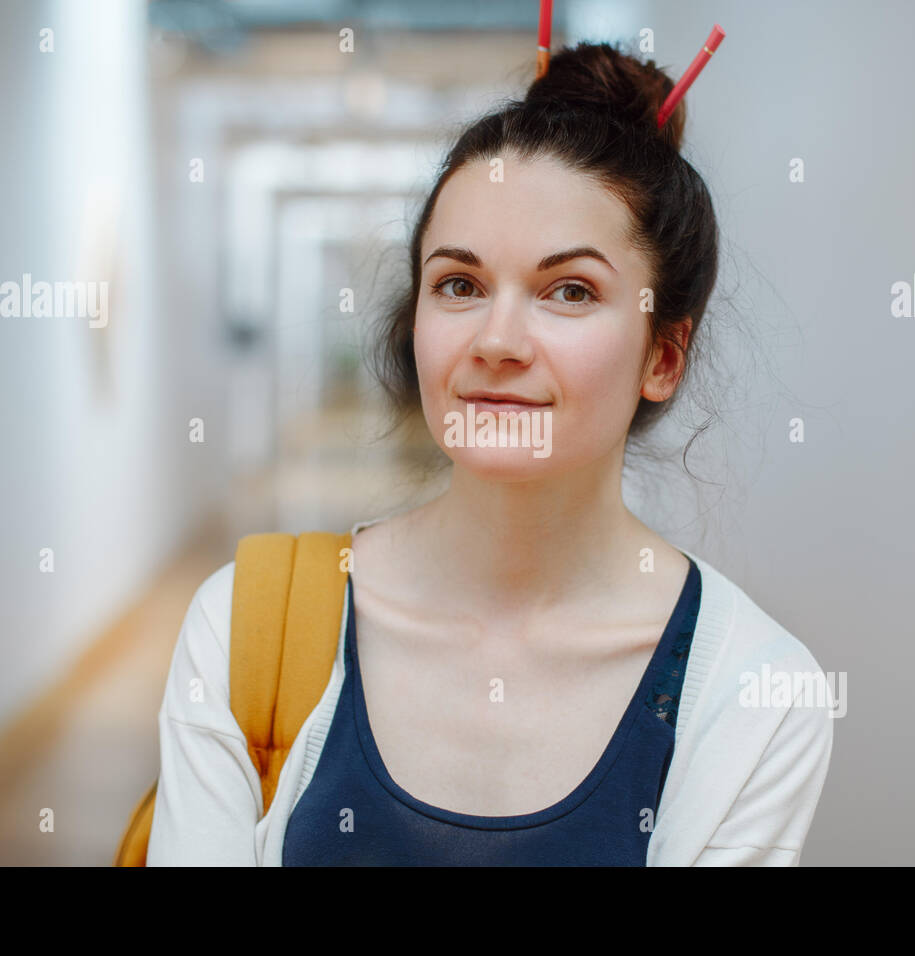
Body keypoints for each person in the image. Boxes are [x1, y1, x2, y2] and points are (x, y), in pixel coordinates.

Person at [148, 40, 833, 866]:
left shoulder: (752, 694)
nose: (497, 340)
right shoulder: (243, 628)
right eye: (460, 285)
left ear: (663, 356)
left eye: (569, 291)